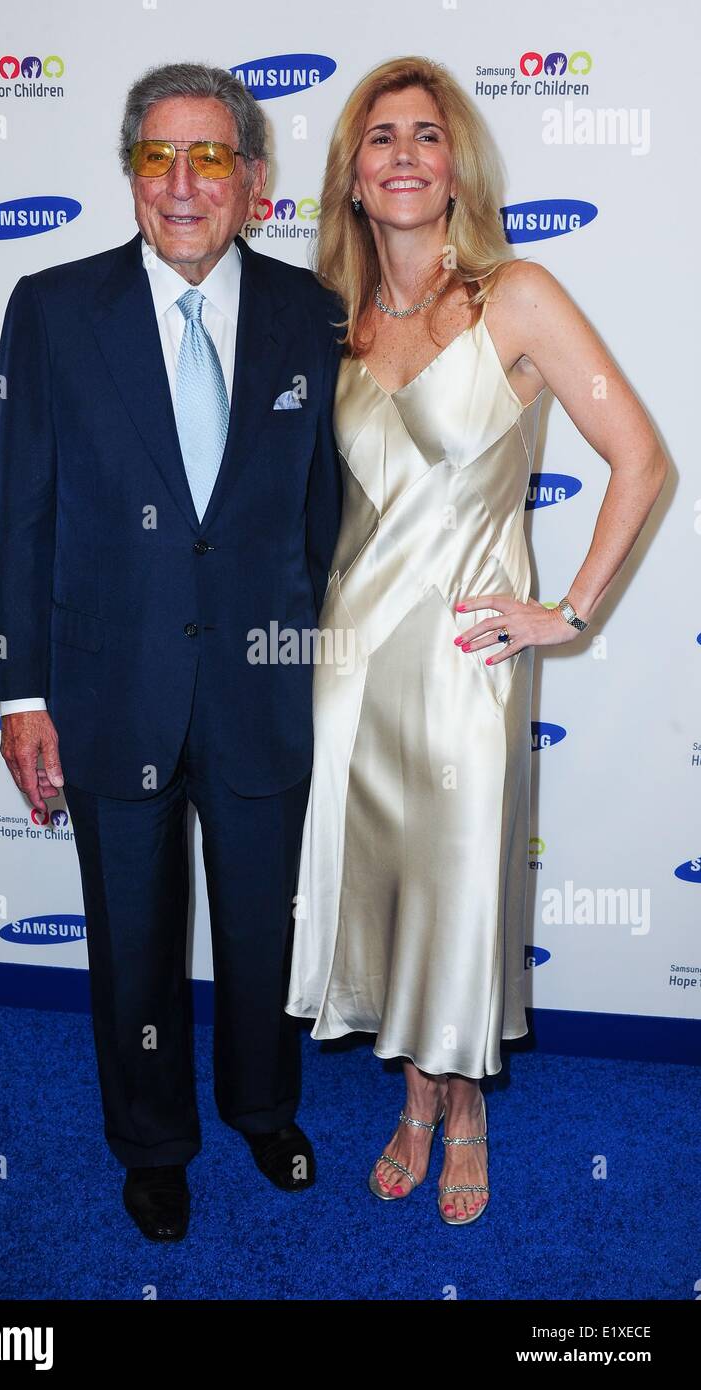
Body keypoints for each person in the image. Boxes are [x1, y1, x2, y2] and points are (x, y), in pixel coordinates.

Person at [286, 56, 668, 1224]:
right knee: (384, 887)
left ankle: (460, 1108)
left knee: (456, 881)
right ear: (352, 177)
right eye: (380, 137)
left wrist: (571, 611)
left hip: (467, 651)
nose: (404, 154)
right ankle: (414, 1093)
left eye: (426, 134)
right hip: (352, 654)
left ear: (457, 166)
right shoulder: (331, 321)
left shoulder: (518, 295)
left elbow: (642, 461)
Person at [0, 61, 343, 1243]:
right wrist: (20, 691)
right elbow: (21, 510)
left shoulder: (310, 314)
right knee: (130, 939)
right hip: (108, 688)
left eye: (210, 158)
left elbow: (321, 518)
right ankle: (151, 1142)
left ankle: (262, 1105)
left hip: (261, 692)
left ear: (252, 179)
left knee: (258, 926)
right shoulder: (51, 305)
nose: (184, 185)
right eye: (158, 157)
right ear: (131, 172)